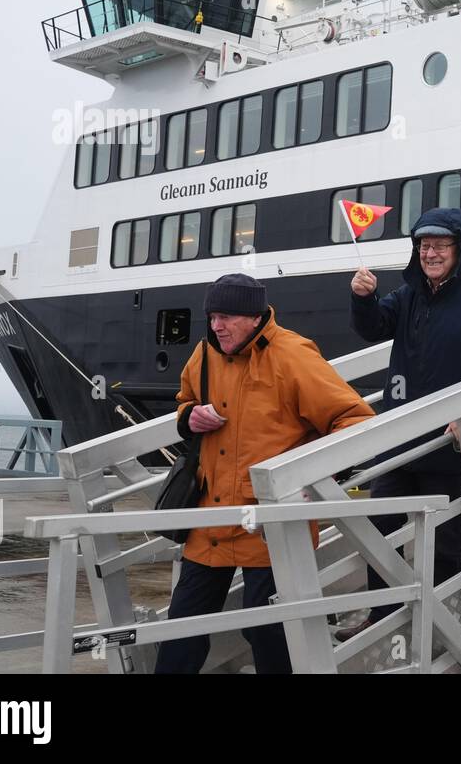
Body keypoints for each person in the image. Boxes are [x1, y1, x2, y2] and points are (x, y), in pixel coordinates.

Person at [156, 274, 376, 674]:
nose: (216, 326)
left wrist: (310, 479)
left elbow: (355, 420)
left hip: (271, 523)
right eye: (212, 317)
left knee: (269, 634)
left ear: (255, 317)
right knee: (182, 630)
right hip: (211, 519)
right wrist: (190, 417)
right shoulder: (204, 354)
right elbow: (184, 402)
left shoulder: (293, 355)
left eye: (225, 317)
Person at [339, 207, 461, 642]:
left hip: (448, 442)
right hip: (398, 439)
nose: (430, 253)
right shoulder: (406, 295)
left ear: (460, 249)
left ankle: (444, 624)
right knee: (382, 531)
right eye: (423, 246)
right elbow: (374, 329)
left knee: (445, 539)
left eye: (439, 245)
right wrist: (363, 298)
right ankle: (382, 620)